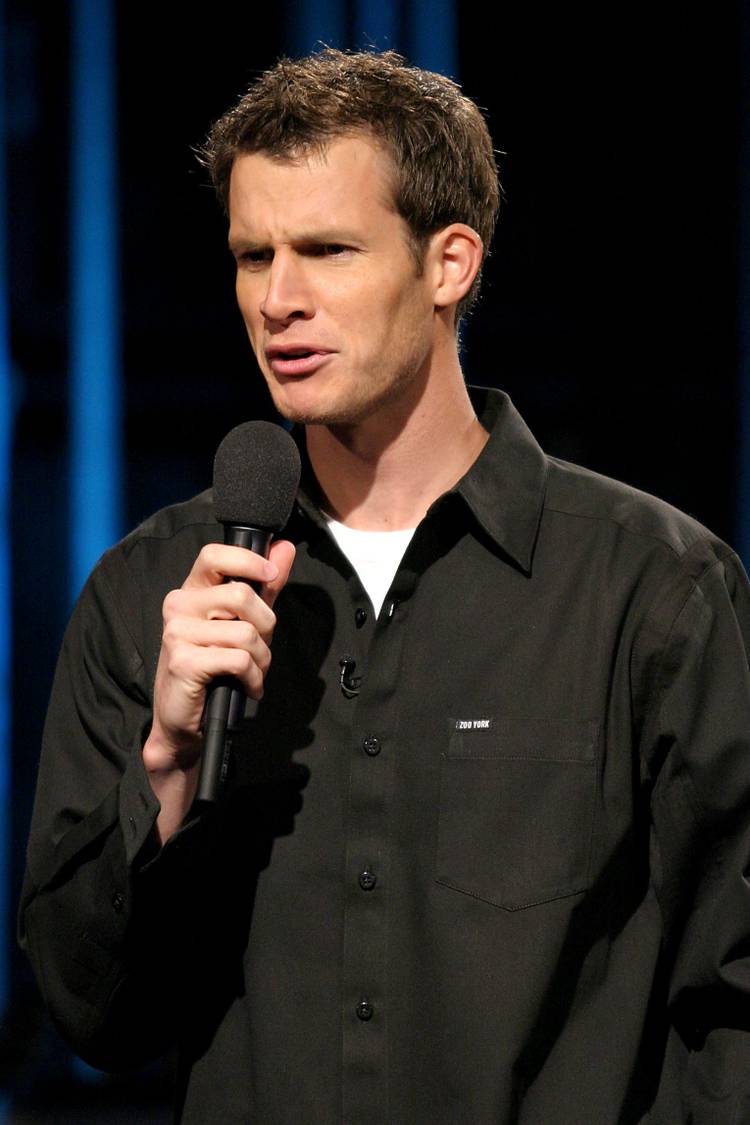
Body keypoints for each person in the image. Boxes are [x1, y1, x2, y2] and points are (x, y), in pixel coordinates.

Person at [19, 48, 750, 1125]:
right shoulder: (151, 594)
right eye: (253, 256)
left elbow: (731, 1005)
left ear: (448, 264)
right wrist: (165, 772)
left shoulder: (653, 589)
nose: (278, 300)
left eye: (326, 250)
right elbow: (91, 1019)